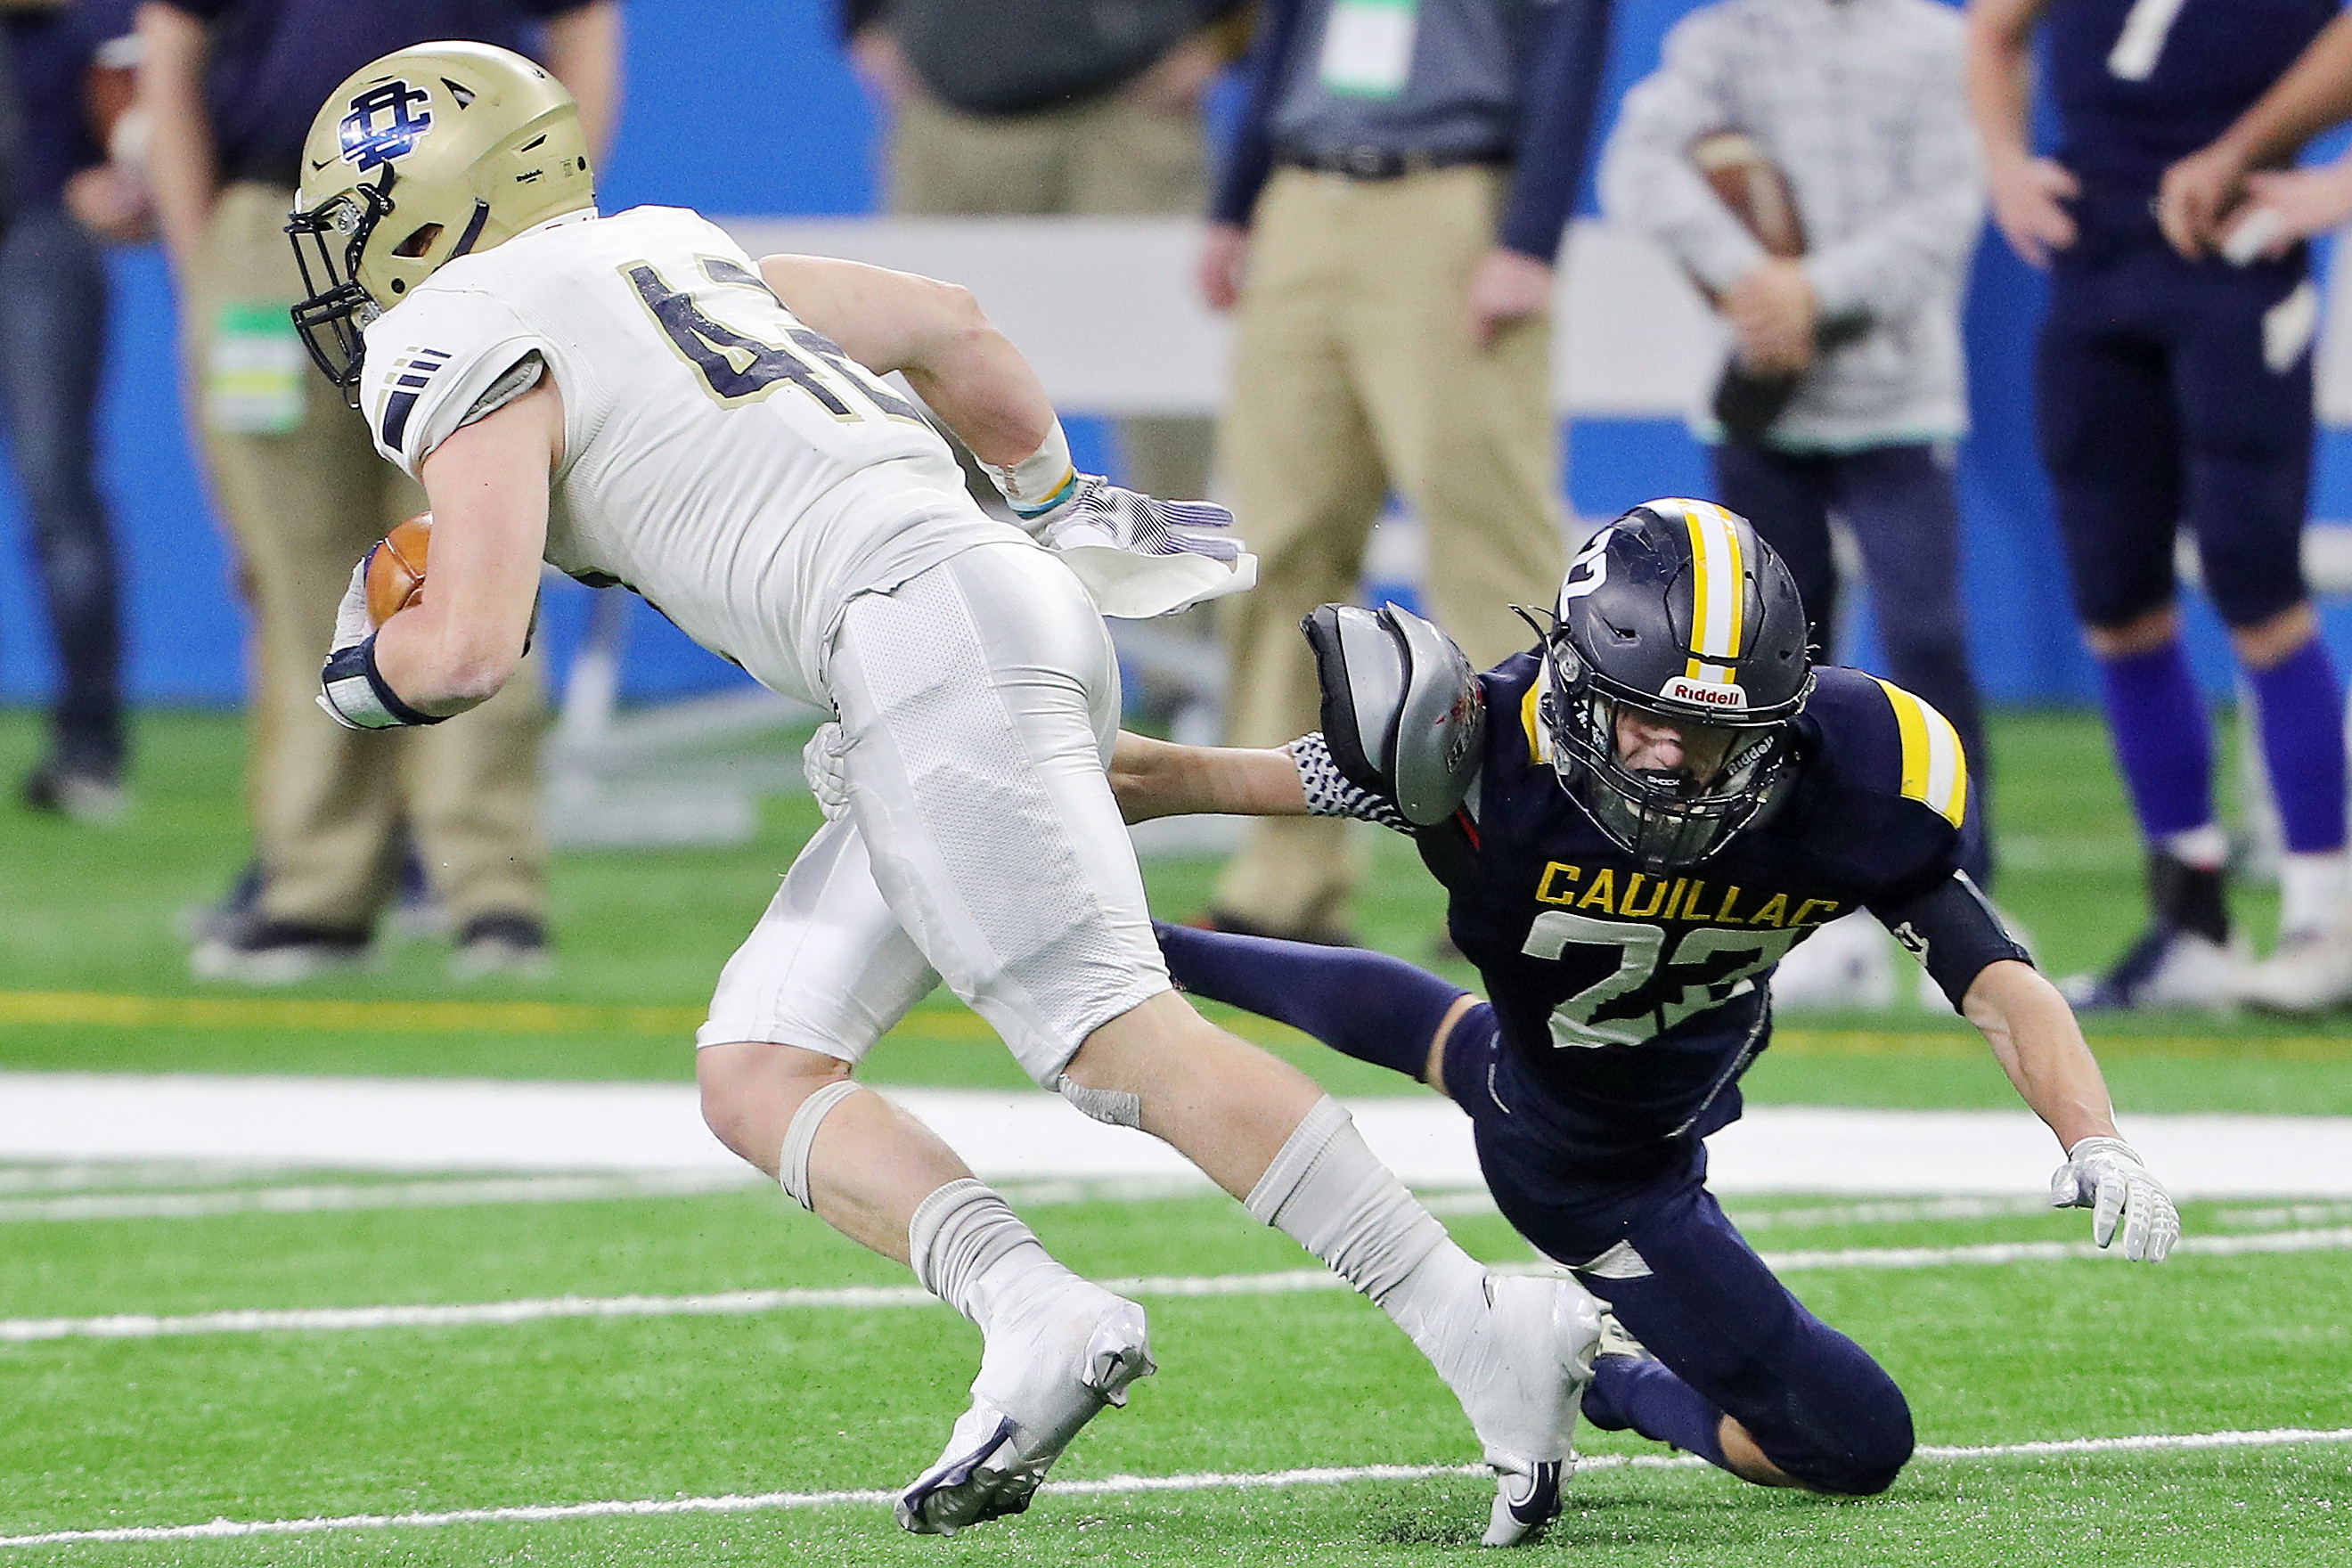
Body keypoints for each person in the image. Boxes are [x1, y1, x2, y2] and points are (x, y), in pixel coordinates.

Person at [288, 42, 1599, 1542]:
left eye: (354, 213)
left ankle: (1481, 1320)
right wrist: (1059, 508)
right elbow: (947, 325)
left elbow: (461, 652)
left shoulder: (451, 334)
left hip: (916, 643)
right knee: (760, 1065)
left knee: (1125, 1047)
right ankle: (1033, 1312)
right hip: (980, 609)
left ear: (426, 209)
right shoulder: (671, 246)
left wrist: (357, 667)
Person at [1108, 501, 2182, 1497]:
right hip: (1590, 1170)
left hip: (1626, 1057)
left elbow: (1995, 977)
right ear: (1577, 679)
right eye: (1642, 717)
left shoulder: (1848, 772)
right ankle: (1604, 1367)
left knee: (1477, 1049)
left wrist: (2096, 1136)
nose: (1671, 757)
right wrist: (991, 763)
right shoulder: (1470, 748)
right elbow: (1170, 777)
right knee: (1852, 1443)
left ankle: (1160, 950)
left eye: (1710, 730)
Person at [138, 0, 621, 982]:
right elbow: (170, 49)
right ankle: (319, 886)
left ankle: (488, 884)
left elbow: (585, 31)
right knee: (298, 574)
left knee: (482, 553)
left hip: (471, 233)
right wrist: (207, 257)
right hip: (272, 230)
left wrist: (549, 221)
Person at [1597, 0, 1993, 1009]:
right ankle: (1792, 891)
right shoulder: (1723, 38)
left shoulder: (1931, 44)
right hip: (1761, 402)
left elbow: (1947, 208)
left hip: (1901, 398)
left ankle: (1964, 882)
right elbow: (1635, 165)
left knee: (1927, 634)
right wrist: (1751, 283)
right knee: (1767, 659)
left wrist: (1810, 293)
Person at [1196, 0, 1614, 945]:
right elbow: (1291, 33)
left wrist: (1530, 235)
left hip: (1452, 205)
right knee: (1277, 545)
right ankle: (1281, 885)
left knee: (1488, 544)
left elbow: (1570, 45)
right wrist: (1236, 203)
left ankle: (1528, 866)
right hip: (1303, 196)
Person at [1965, 0, 2351, 1012]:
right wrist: (2006, 161)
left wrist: (2312, 177)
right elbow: (1993, 26)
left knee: (2255, 579)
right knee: (2116, 595)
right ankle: (2193, 917)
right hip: (2099, 271)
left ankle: (2327, 915)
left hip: (2234, 264)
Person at [838, 0, 1244, 504]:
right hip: (951, 114)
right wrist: (860, 24)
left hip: (1130, 111)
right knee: (930, 365)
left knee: (1172, 376)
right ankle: (948, 572)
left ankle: (1195, 568)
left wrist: (1226, 35)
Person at [7, 0, 140, 822]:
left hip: (40, 233)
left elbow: (137, 95)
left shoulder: (88, 23)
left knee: (57, 488)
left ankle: (89, 748)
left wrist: (125, 175)